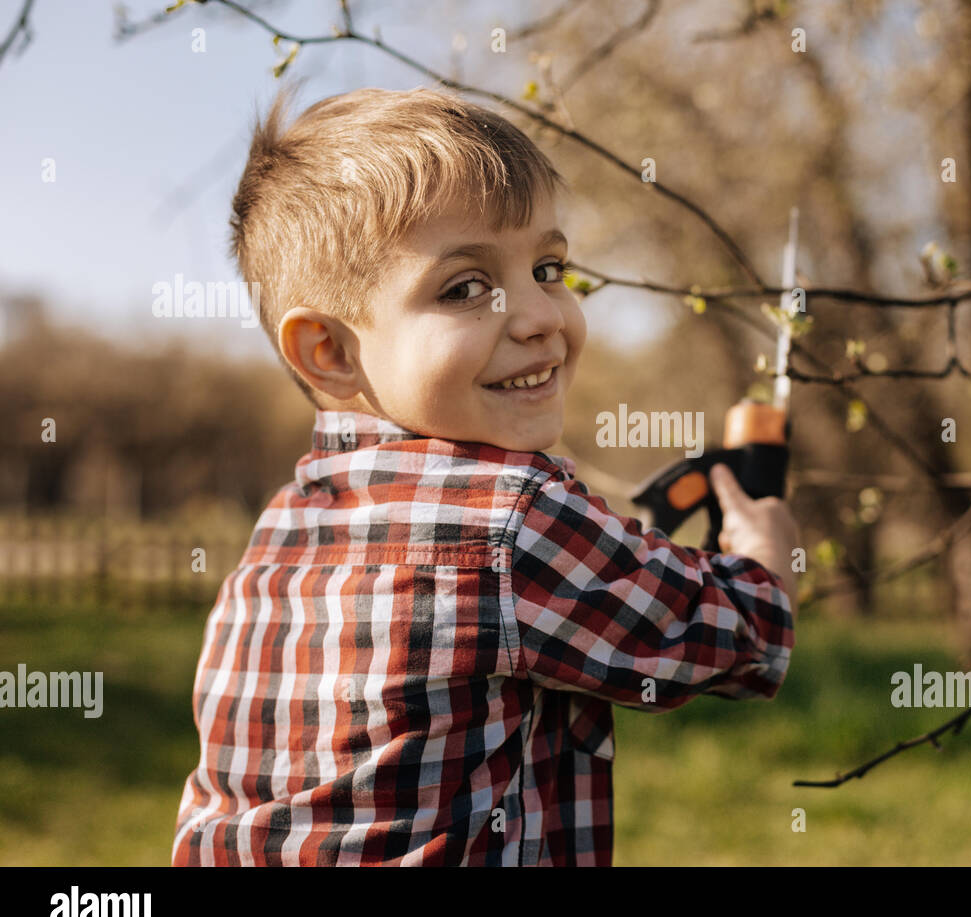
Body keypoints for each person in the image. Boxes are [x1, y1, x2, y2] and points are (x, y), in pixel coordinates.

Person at [172, 86, 798, 866]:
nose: (538, 314)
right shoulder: (514, 519)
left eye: (548, 267)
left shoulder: (280, 531)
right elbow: (733, 641)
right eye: (465, 288)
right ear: (329, 351)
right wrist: (763, 556)